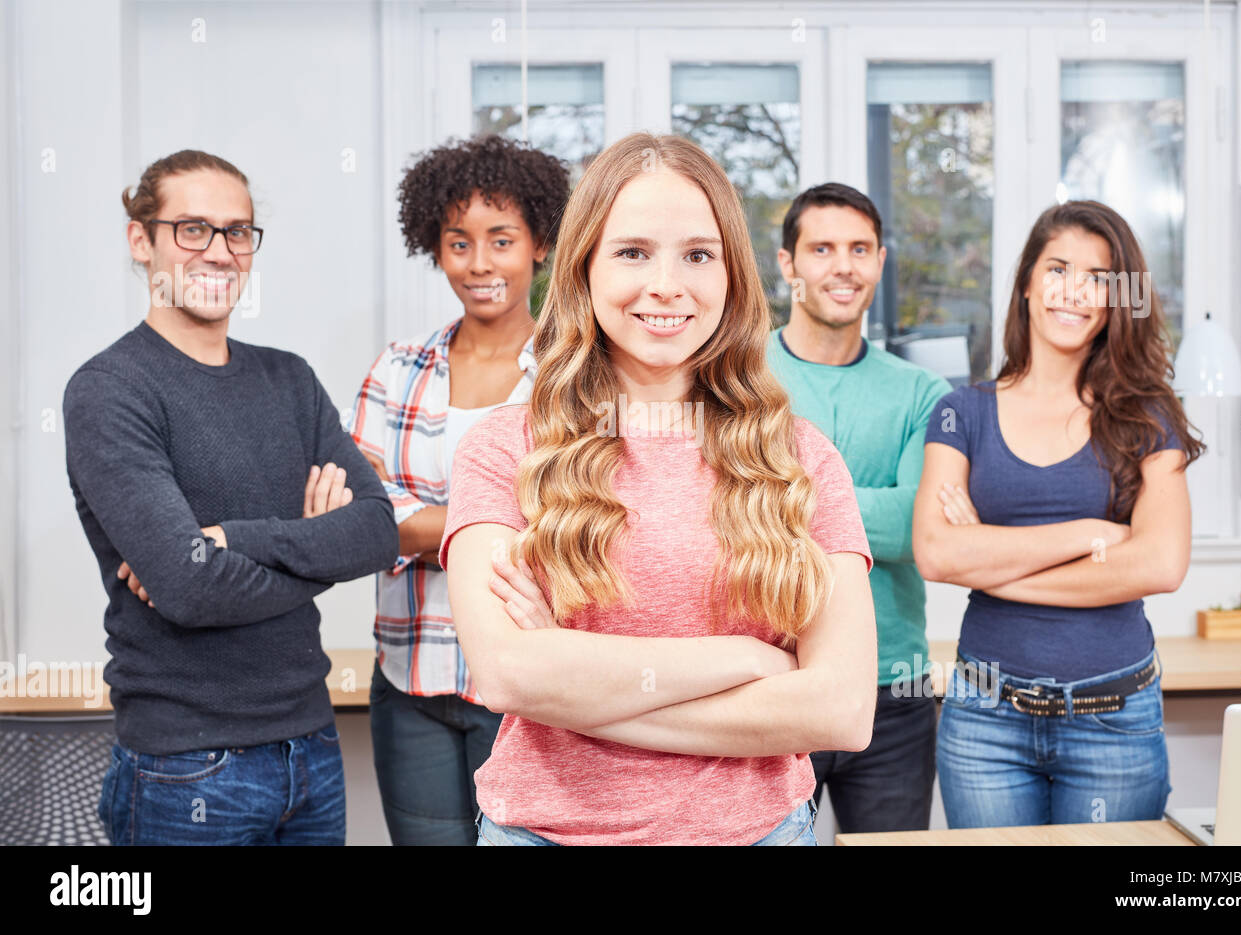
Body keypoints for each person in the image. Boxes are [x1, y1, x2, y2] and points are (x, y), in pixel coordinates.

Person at [438, 131, 877, 846]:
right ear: (583, 268)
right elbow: (510, 673)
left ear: (732, 275)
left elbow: (843, 709)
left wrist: (574, 683)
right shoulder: (504, 448)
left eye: (698, 255)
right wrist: (748, 660)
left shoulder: (801, 458)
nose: (667, 284)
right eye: (633, 251)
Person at [63, 150, 399, 845]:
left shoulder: (290, 379)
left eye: (237, 231)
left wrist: (232, 540)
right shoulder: (109, 390)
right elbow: (188, 587)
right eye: (193, 229)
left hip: (311, 746)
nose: (219, 252)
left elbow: (376, 531)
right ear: (141, 239)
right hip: (183, 767)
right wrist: (312, 549)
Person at [913, 200, 1204, 827]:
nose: (1074, 292)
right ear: (1026, 283)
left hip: (1114, 721)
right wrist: (1092, 534)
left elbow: (1159, 563)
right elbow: (936, 553)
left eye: (1097, 277)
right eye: (1057, 269)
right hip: (984, 721)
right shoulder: (961, 412)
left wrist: (988, 561)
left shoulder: (1148, 414)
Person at [347, 135, 571, 845]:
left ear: (538, 245)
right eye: (458, 242)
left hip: (531, 683)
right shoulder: (397, 369)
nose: (479, 264)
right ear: (435, 247)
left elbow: (577, 528)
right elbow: (362, 520)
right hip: (410, 676)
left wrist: (422, 527)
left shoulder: (577, 377)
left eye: (501, 239)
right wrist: (494, 531)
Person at [767, 183, 950, 833]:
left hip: (893, 689)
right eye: (821, 248)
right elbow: (722, 520)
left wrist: (782, 500)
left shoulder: (923, 391)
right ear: (788, 264)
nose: (843, 266)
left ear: (879, 261)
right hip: (773, 677)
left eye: (860, 249)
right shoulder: (736, 378)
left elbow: (915, 527)